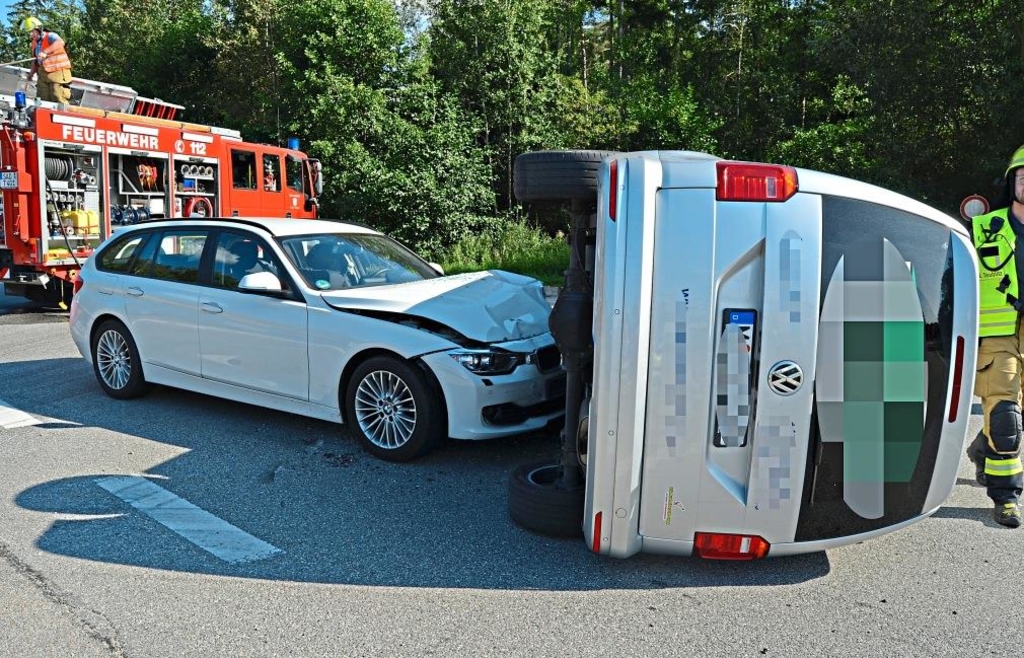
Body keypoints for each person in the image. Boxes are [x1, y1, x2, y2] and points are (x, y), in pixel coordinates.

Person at [968, 145, 1024, 528]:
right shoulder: (985, 227)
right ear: (1012, 182)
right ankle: (1006, 497)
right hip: (998, 331)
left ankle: (980, 448)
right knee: (1005, 417)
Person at [21, 16, 72, 104]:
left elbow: (60, 43)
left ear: (38, 29)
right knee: (42, 100)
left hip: (57, 72)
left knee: (57, 97)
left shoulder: (50, 36)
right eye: (28, 33)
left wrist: (45, 52)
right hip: (43, 74)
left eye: (31, 32)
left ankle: (58, 117)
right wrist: (31, 73)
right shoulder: (34, 42)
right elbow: (35, 60)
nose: (30, 35)